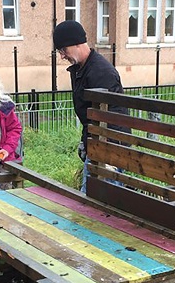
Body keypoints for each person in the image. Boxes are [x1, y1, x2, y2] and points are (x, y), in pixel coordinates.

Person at [52, 20, 129, 193]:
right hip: (97, 142)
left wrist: (104, 154)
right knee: (89, 199)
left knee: (103, 202)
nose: (62, 56)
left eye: (64, 50)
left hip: (110, 147)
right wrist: (85, 141)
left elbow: (111, 118)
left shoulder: (101, 73)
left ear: (77, 44)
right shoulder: (82, 69)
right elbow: (90, 116)